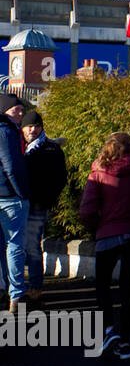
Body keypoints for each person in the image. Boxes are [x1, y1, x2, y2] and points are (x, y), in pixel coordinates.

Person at [78, 132, 130, 360]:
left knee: (103, 286)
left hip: (108, 234)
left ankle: (108, 330)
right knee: (127, 288)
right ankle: (124, 341)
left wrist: (98, 226)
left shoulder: (99, 173)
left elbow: (86, 211)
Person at [21, 110, 68, 304]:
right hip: (16, 203)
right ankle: (14, 286)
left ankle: (35, 287)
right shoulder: (15, 145)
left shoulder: (51, 149)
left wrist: (47, 200)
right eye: (29, 126)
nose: (33, 130)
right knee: (13, 247)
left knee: (32, 246)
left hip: (37, 205)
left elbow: (60, 178)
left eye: (37, 126)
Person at [0, 93, 30, 310]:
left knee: (3, 247)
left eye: (21, 109)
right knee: (15, 246)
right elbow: (11, 166)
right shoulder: (7, 131)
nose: (20, 114)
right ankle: (16, 296)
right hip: (9, 196)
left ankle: (7, 290)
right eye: (15, 110)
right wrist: (21, 192)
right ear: (4, 111)